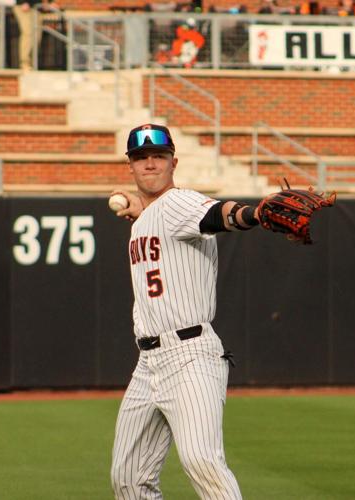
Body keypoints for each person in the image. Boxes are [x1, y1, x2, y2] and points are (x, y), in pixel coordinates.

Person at [109, 123, 260, 499]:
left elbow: (218, 214)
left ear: (173, 161)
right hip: (148, 364)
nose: (149, 164)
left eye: (157, 156)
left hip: (189, 355)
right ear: (130, 165)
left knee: (201, 460)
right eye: (140, 158)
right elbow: (159, 218)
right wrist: (138, 209)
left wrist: (252, 215)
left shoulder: (180, 203)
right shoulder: (147, 215)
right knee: (128, 478)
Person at [12, 0, 46, 71]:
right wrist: (24, 2)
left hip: (37, 8)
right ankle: (25, 64)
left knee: (37, 36)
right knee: (28, 33)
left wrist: (49, 2)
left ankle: (33, 64)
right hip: (24, 6)